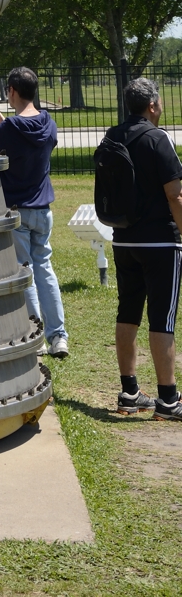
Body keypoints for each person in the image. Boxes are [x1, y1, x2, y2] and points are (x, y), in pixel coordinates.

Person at [103, 78, 182, 419]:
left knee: (128, 312)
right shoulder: (158, 138)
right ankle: (168, 400)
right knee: (162, 318)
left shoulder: (112, 136)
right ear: (152, 105)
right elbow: (175, 195)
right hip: (160, 242)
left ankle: (129, 392)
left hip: (123, 238)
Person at [0, 65, 69, 358]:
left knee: (25, 272)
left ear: (11, 91)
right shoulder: (49, 124)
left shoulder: (8, 128)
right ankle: (58, 336)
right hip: (43, 210)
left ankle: (35, 336)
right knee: (45, 269)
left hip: (17, 210)